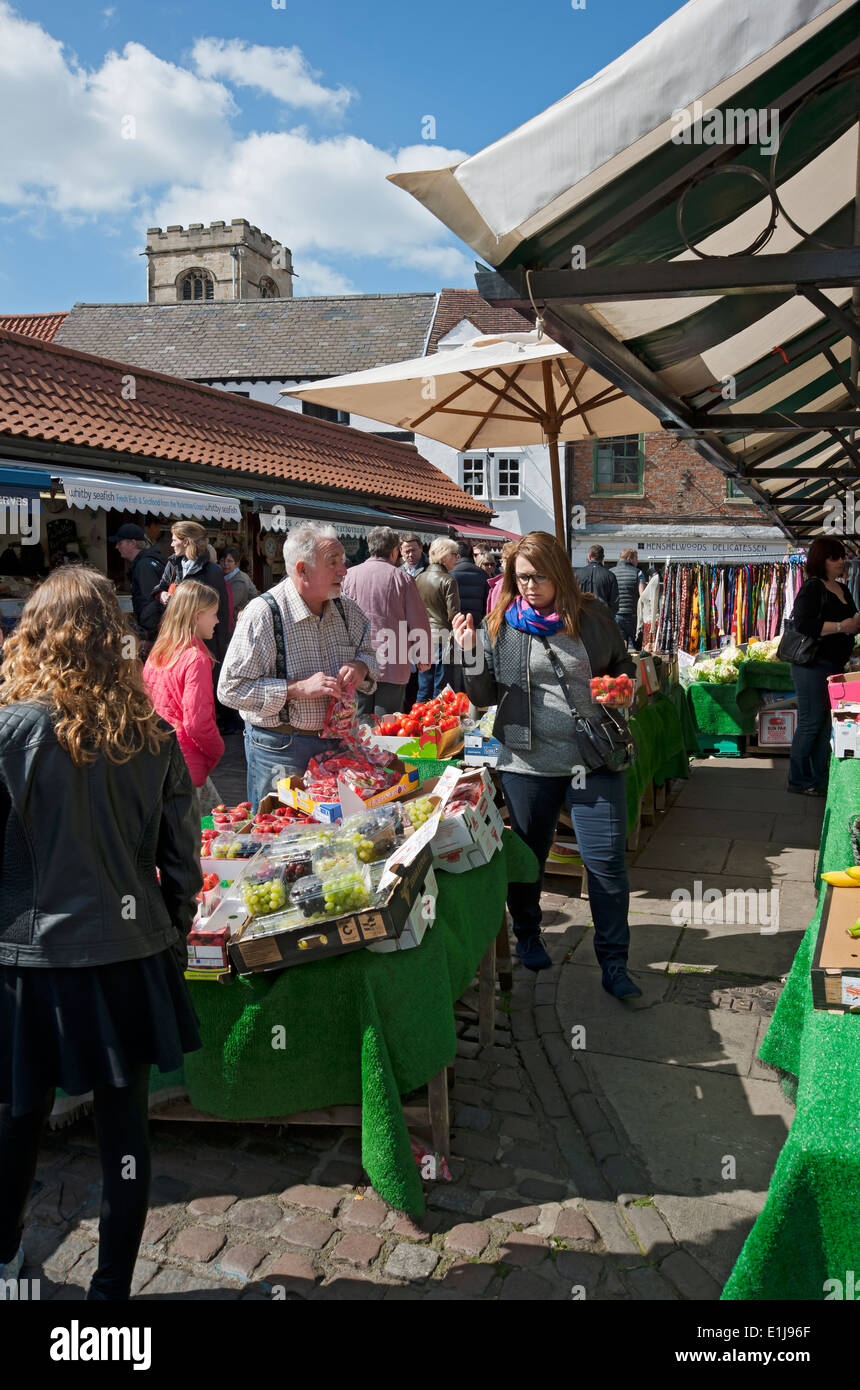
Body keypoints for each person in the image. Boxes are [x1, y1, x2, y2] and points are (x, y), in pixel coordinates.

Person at [0, 567, 201, 1299]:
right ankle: (109, 1293)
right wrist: (168, 935)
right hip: (124, 956)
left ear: (37, 636)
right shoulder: (149, 734)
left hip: (30, 959)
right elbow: (183, 861)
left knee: (18, 1116)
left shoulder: (8, 730)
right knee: (124, 1134)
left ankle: (3, 1261)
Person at [453, 530, 640, 998]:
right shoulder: (506, 624)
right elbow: (483, 697)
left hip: (594, 761)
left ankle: (614, 963)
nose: (529, 587)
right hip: (526, 762)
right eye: (520, 579)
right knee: (529, 858)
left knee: (606, 865)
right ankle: (528, 934)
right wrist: (470, 652)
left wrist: (622, 686)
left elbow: (624, 666)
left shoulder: (592, 616)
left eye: (537, 577)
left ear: (559, 573)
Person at [217, 522, 378, 812]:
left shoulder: (346, 608)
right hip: (280, 750)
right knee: (281, 842)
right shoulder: (264, 614)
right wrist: (297, 689)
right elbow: (230, 689)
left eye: (342, 562)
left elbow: (369, 651)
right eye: (333, 563)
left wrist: (360, 666)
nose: (343, 571)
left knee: (332, 842)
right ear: (302, 570)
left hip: (337, 746)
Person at [143, 581, 225, 814]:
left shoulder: (158, 652)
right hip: (186, 762)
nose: (217, 621)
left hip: (157, 757)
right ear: (197, 616)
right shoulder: (195, 659)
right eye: (214, 614)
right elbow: (197, 722)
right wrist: (217, 749)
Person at [787, 537, 860, 796]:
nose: (841, 561)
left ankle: (819, 778)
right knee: (810, 721)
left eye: (842, 556)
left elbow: (852, 621)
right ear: (821, 561)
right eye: (834, 557)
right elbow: (803, 624)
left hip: (835, 665)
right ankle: (799, 780)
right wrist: (843, 627)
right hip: (812, 665)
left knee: (826, 723)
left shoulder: (843, 589)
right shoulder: (813, 588)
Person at [341, 526, 432, 717]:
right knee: (387, 724)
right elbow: (418, 620)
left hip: (356, 660)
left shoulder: (348, 576)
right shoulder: (402, 579)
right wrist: (423, 656)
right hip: (393, 660)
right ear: (394, 551)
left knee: (359, 723)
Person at [152, 523, 231, 665]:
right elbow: (159, 588)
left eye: (174, 540)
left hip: (203, 641)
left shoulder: (212, 571)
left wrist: (220, 651)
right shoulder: (173, 564)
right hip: (174, 637)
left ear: (186, 542)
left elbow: (222, 613)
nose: (171, 544)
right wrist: (163, 594)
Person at [415, 538, 461, 701]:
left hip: (422, 638)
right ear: (443, 556)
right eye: (454, 554)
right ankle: (436, 724)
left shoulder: (419, 577)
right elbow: (454, 615)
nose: (457, 558)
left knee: (423, 687)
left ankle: (418, 722)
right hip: (443, 639)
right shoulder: (448, 580)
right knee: (441, 689)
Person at [111, 522, 166, 648]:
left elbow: (152, 602)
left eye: (120, 543)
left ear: (132, 543)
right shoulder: (146, 563)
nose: (116, 547)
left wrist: (148, 636)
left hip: (154, 634)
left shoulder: (144, 566)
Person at [614, 548, 647, 649]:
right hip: (633, 617)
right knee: (638, 648)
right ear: (629, 559)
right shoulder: (638, 573)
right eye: (636, 559)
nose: (637, 561)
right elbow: (643, 595)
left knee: (620, 649)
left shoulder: (611, 572)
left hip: (616, 616)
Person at [575, 545, 619, 615]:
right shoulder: (610, 576)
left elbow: (571, 597)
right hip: (602, 618)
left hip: (581, 617)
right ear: (603, 558)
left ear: (589, 557)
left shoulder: (577, 574)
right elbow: (614, 603)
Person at [221, 547, 258, 616]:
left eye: (229, 561)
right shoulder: (226, 575)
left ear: (236, 564)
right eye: (223, 560)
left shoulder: (239, 582)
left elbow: (225, 606)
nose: (225, 564)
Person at [487, 542, 516, 614]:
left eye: (502, 561)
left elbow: (495, 613)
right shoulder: (525, 581)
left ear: (509, 562)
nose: (502, 565)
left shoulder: (502, 584)